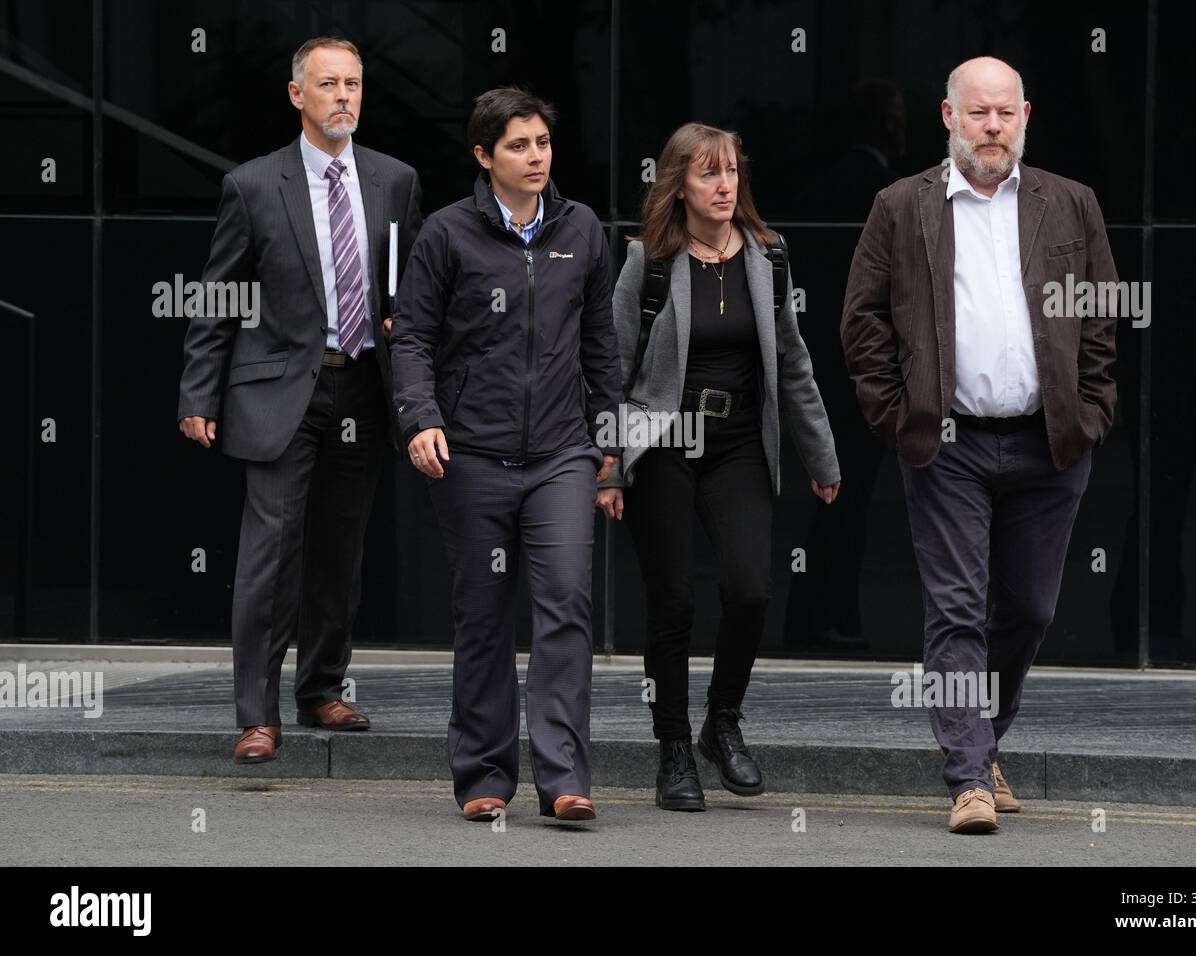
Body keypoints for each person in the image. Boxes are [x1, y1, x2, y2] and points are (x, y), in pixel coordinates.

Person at [840, 57, 1119, 833]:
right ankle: (966, 776)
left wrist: (1093, 408)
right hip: (949, 442)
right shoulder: (903, 205)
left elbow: (1099, 317)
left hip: (1049, 443)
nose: (992, 127)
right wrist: (897, 416)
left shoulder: (1072, 204)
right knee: (957, 607)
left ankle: (981, 740)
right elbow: (862, 322)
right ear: (948, 118)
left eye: (1004, 113)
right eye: (977, 114)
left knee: (1029, 607)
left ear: (1024, 114)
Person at [177, 37, 423, 763]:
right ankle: (257, 713)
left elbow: (409, 285)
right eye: (328, 85)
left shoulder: (396, 180)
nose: (344, 96)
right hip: (281, 390)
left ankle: (321, 689)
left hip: (364, 387)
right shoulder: (253, 185)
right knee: (269, 557)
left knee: (340, 554)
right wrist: (199, 389)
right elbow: (217, 297)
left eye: (353, 84)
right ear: (297, 96)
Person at [390, 87, 623, 823]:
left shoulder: (582, 230)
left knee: (566, 606)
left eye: (543, 143)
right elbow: (414, 338)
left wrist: (607, 432)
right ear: (484, 155)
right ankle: (484, 775)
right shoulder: (447, 235)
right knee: (483, 615)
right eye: (518, 145)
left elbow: (601, 344)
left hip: (560, 453)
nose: (535, 156)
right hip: (474, 457)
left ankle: (564, 780)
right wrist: (421, 419)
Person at [597, 123, 841, 812]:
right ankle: (673, 749)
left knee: (748, 590)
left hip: (738, 443)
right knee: (672, 601)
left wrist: (820, 454)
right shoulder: (647, 262)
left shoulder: (769, 256)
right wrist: (609, 464)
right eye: (708, 174)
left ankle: (721, 722)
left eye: (731, 170)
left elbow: (793, 362)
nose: (725, 184)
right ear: (679, 184)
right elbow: (613, 367)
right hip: (664, 440)